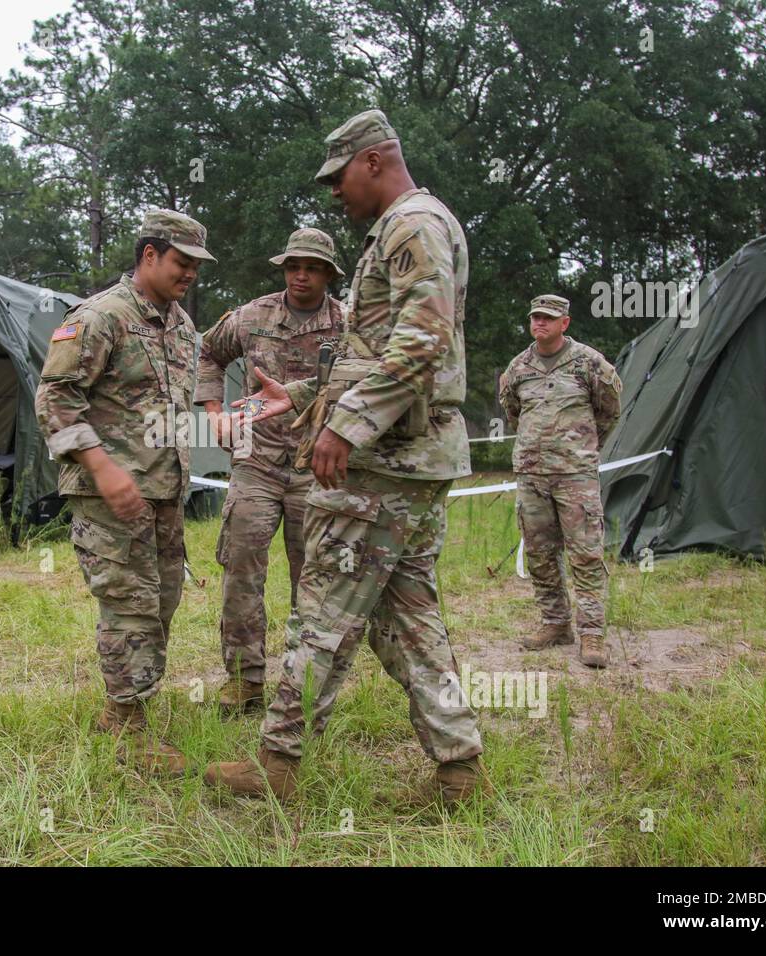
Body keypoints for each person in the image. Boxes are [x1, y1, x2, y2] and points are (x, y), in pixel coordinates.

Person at [203, 110, 487, 803]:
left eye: (338, 178)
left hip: (384, 463)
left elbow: (422, 341)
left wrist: (346, 427)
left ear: (372, 160)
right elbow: (373, 354)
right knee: (408, 616)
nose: (335, 193)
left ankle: (278, 764)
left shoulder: (410, 224)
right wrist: (303, 396)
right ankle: (458, 769)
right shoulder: (403, 228)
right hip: (413, 457)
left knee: (322, 609)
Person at [35, 209, 215, 775]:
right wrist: (102, 466)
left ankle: (126, 710)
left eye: (196, 266)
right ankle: (129, 728)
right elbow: (55, 399)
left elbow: (174, 418)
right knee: (127, 602)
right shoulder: (99, 317)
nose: (189, 275)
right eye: (182, 262)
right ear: (149, 255)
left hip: (163, 494)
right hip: (106, 493)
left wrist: (231, 425)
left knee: (161, 602)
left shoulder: (183, 328)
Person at [195, 228, 344, 715]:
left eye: (313, 267)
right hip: (255, 463)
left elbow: (370, 381)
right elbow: (208, 353)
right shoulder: (252, 315)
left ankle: (303, 685)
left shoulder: (349, 324)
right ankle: (244, 680)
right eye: (293, 265)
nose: (301, 275)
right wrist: (215, 412)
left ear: (328, 274)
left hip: (316, 468)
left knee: (315, 580)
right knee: (241, 570)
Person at [497, 294, 622, 667]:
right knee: (539, 554)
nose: (540, 323)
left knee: (585, 554)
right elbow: (513, 413)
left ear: (564, 323)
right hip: (532, 475)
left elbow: (610, 409)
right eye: (535, 317)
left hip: (575, 476)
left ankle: (592, 634)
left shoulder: (588, 363)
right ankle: (555, 624)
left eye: (549, 318)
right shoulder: (519, 366)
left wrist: (579, 445)